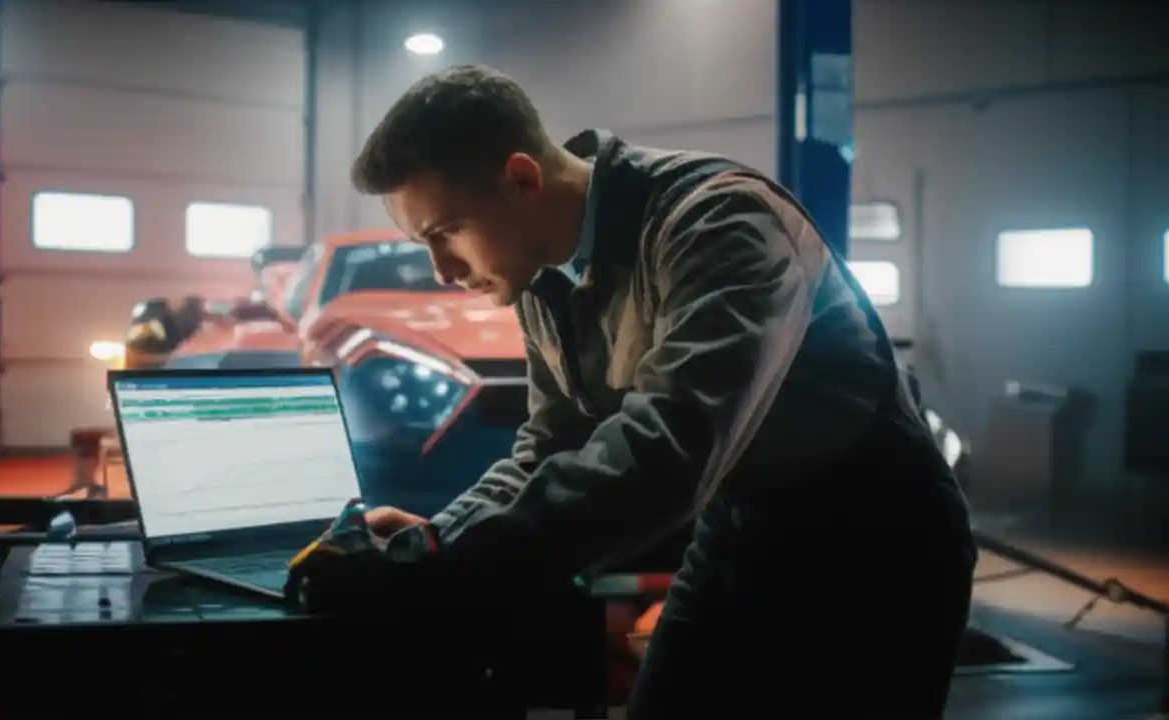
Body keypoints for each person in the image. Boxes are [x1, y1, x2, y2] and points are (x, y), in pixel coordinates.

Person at [299, 64, 977, 717]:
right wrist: (437, 536)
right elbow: (552, 445)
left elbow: (669, 448)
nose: (442, 270)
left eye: (445, 233)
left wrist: (437, 568)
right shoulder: (542, 275)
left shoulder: (719, 224)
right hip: (742, 532)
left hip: (875, 548)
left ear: (521, 177)